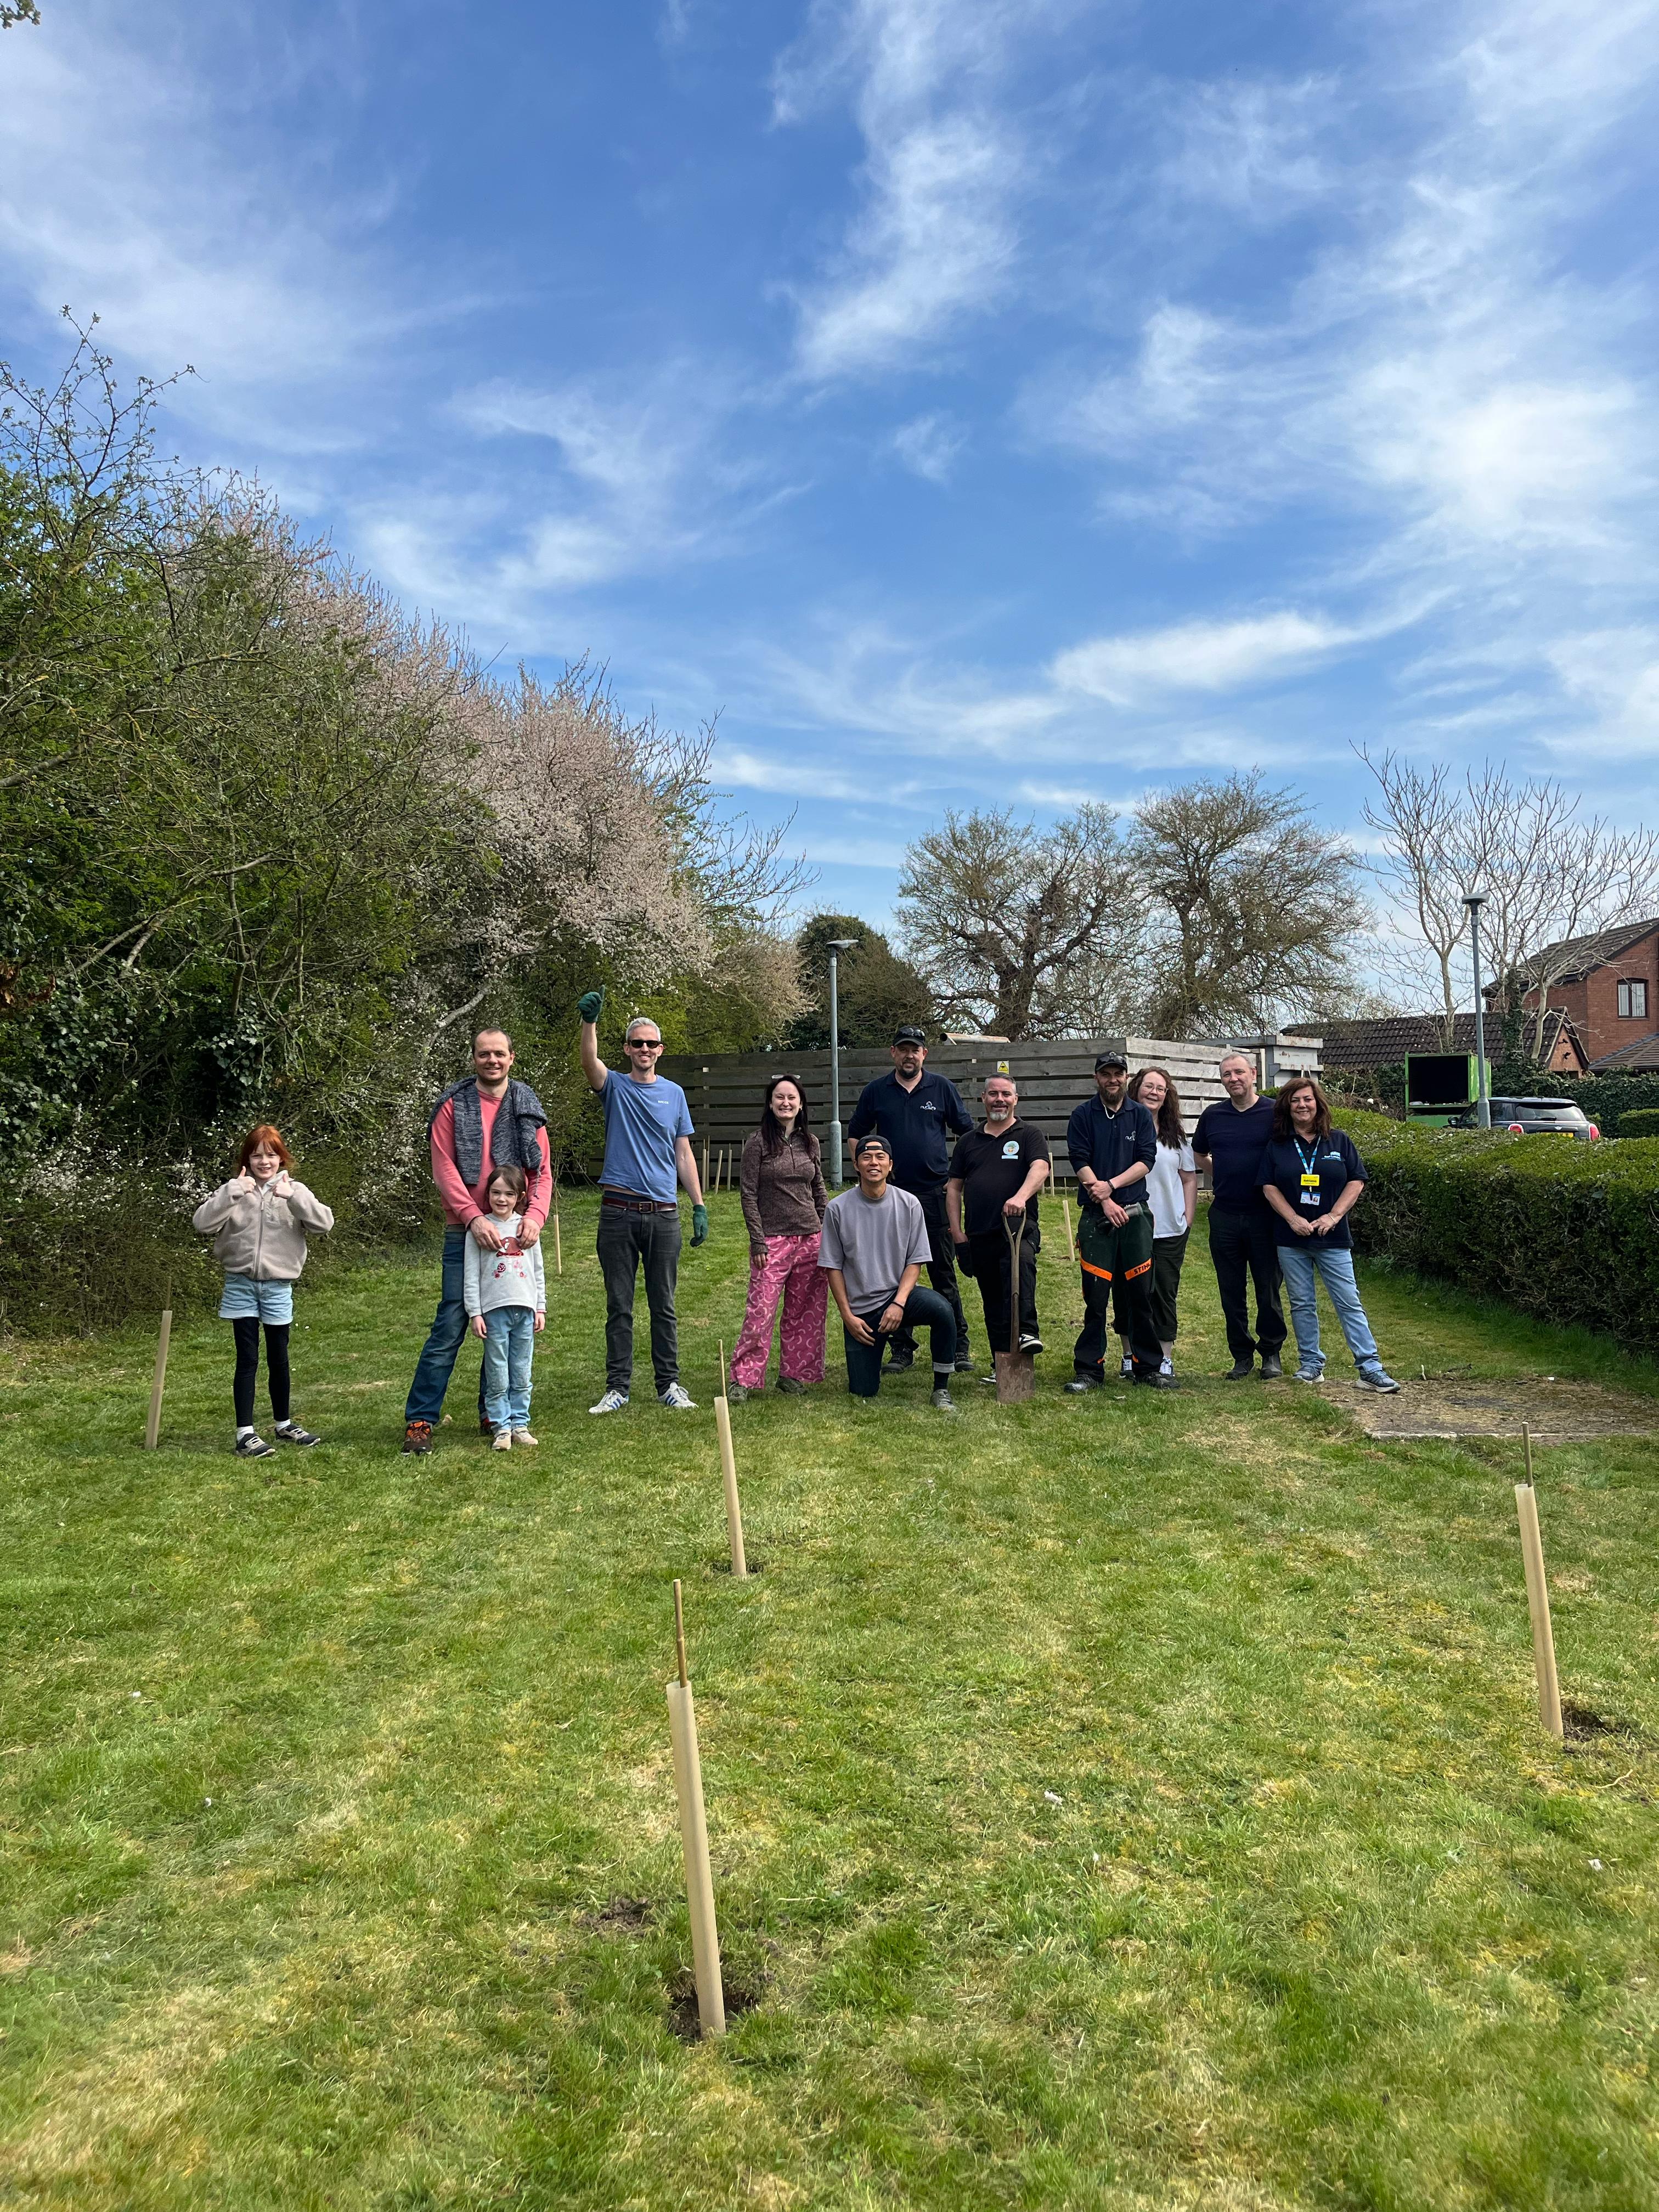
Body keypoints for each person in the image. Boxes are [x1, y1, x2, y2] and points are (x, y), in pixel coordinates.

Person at [403, 1028, 550, 1457]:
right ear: (474, 1059)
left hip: (515, 1232)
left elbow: (541, 1172)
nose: (492, 1061)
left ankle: (495, 1413)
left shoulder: (528, 1108)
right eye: (484, 1054)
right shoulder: (453, 1105)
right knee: (452, 1323)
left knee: (505, 1322)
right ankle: (420, 1419)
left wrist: (536, 1217)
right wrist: (472, 1218)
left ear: (512, 1057)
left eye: (499, 1054)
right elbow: (444, 1168)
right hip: (464, 1230)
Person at [579, 988, 707, 1414]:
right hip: (618, 1213)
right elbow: (589, 1063)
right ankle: (618, 1387)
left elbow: (683, 1153)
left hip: (663, 1215)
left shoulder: (675, 1094)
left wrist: (699, 1204)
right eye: (638, 1043)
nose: (645, 1049)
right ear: (628, 1049)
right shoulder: (614, 1086)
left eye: (652, 1044)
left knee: (664, 1305)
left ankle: (669, 1384)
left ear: (661, 1050)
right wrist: (589, 1023)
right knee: (619, 1305)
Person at [193, 1124, 334, 1458]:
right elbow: (202, 1224)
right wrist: (232, 1192)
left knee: (279, 1358)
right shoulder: (234, 1191)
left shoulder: (294, 1190)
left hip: (278, 1286)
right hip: (240, 1285)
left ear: (281, 1159)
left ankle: (284, 1425)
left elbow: (324, 1224)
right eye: (257, 1155)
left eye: (271, 1155)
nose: (264, 1161)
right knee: (247, 1359)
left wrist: (295, 1199)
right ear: (247, 1159)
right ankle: (245, 1434)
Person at [846, 1025, 974, 1375]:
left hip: (934, 1196)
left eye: (915, 1049)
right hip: (890, 1200)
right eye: (903, 1049)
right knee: (891, 1275)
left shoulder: (942, 1088)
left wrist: (960, 1177)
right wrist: (868, 1172)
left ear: (924, 1055)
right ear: (893, 1053)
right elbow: (855, 1134)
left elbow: (968, 1133)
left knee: (943, 1272)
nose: (909, 1055)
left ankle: (958, 1346)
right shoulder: (876, 1091)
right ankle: (901, 1349)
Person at [1259, 1077, 1400, 1392]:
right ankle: (1311, 1364)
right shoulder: (1278, 1145)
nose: (1302, 1106)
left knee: (1349, 1302)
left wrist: (1334, 1216)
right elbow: (1269, 1187)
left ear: (1318, 1103)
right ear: (1287, 1107)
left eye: (1307, 1099)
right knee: (1302, 1303)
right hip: (1292, 1238)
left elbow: (1356, 1181)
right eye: (1295, 1101)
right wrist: (1293, 1218)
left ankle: (1370, 1367)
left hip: (1332, 1238)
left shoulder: (1339, 1141)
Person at [819, 1136, 958, 1410]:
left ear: (890, 1164)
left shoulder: (909, 1204)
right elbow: (833, 1267)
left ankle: (941, 1389)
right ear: (856, 1165)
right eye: (866, 1157)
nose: (874, 1163)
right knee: (863, 1391)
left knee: (943, 1311)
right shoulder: (837, 1209)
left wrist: (898, 1303)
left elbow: (915, 1262)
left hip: (899, 1299)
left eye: (881, 1157)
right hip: (862, 1314)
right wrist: (848, 1317)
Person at [1065, 1050, 1170, 1390]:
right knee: (1095, 1298)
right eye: (1106, 1074)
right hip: (1097, 1217)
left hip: (1135, 1215)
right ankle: (1089, 1370)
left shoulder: (1139, 1115)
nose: (1113, 1080)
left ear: (1127, 1077)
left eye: (1119, 1074)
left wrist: (1111, 1187)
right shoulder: (1083, 1115)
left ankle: (1147, 1368)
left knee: (1141, 1294)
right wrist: (1104, 1199)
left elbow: (1146, 1160)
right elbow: (1078, 1159)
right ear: (1097, 1078)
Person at [731, 1074, 828, 1400]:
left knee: (805, 1312)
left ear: (801, 1104)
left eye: (791, 1098)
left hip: (810, 1239)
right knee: (761, 1312)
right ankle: (744, 1379)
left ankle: (793, 1374)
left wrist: (827, 1231)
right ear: (770, 1103)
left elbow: (818, 1189)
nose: (785, 1103)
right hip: (771, 1242)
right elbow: (748, 1195)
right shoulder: (757, 1143)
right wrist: (757, 1240)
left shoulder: (810, 1143)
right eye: (779, 1097)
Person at [1192, 1051, 1288, 1381]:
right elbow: (1199, 1153)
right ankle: (1242, 1356)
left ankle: (1271, 1353)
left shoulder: (1276, 1112)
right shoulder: (1213, 1116)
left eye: (1238, 1073)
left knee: (1268, 1288)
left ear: (1254, 1074)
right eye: (1226, 1075)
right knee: (1231, 1291)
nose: (1233, 1079)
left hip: (1266, 1215)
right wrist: (1220, 1175)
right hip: (1225, 1216)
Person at [945, 1071, 1049, 1369]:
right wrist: (957, 1232)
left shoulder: (1029, 1135)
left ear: (1016, 1099)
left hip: (1018, 1229)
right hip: (980, 1233)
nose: (999, 1100)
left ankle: (1027, 1332)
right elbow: (954, 1187)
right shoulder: (968, 1141)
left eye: (1006, 1094)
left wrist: (1020, 1197)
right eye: (993, 1094)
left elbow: (1041, 1168)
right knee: (993, 1299)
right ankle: (1001, 1364)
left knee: (1021, 1272)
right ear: (983, 1099)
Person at [1114, 1066, 1196, 1380]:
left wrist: (1187, 1218)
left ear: (1167, 1096)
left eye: (1161, 1089)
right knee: (1128, 1292)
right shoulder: (1122, 1129)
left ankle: (1164, 1359)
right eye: (1149, 1086)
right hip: (1128, 1224)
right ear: (1135, 1089)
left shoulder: (1175, 1136)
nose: (1154, 1093)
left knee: (1163, 1294)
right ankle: (1128, 1355)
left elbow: (1189, 1179)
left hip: (1169, 1231)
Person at [464, 1163, 548, 1449]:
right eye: (496, 1193)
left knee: (522, 1370)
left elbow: (538, 1271)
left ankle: (520, 1424)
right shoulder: (479, 1230)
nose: (502, 1199)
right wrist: (475, 1313)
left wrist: (540, 1307)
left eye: (509, 1194)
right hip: (494, 1313)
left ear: (520, 1197)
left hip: (524, 1311)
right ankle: (501, 1427)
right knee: (498, 1371)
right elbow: (471, 1276)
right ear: (487, 1194)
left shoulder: (527, 1228)